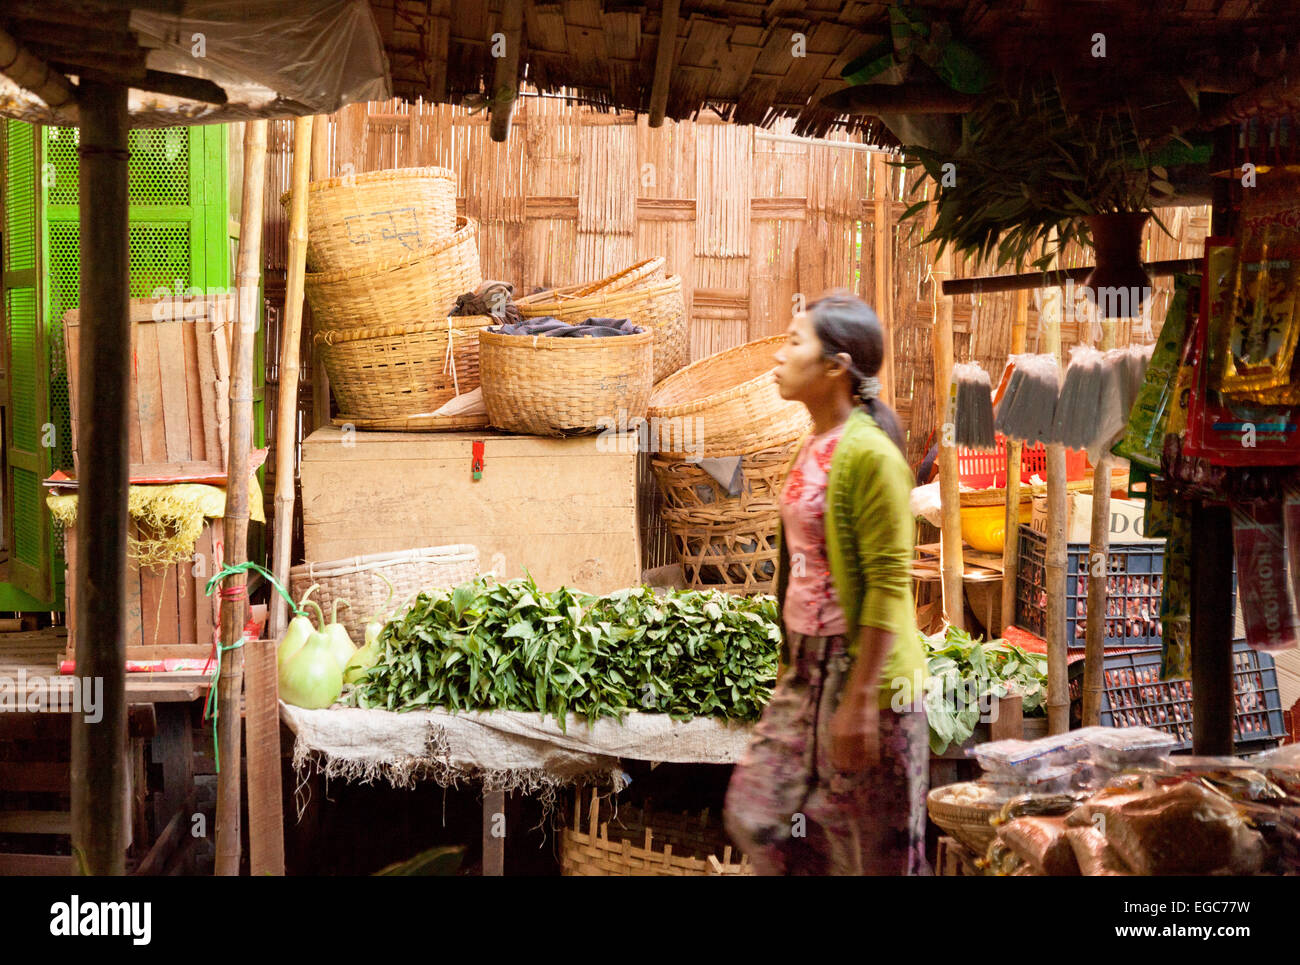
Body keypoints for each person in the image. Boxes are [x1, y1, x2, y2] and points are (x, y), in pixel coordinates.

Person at [723, 292, 930, 876]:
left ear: (836, 366)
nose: (778, 358)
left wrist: (861, 700)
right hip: (810, 671)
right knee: (760, 815)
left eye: (795, 342)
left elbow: (891, 584)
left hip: (866, 674)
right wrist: (795, 666)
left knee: (875, 853)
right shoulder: (813, 446)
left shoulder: (872, 456)